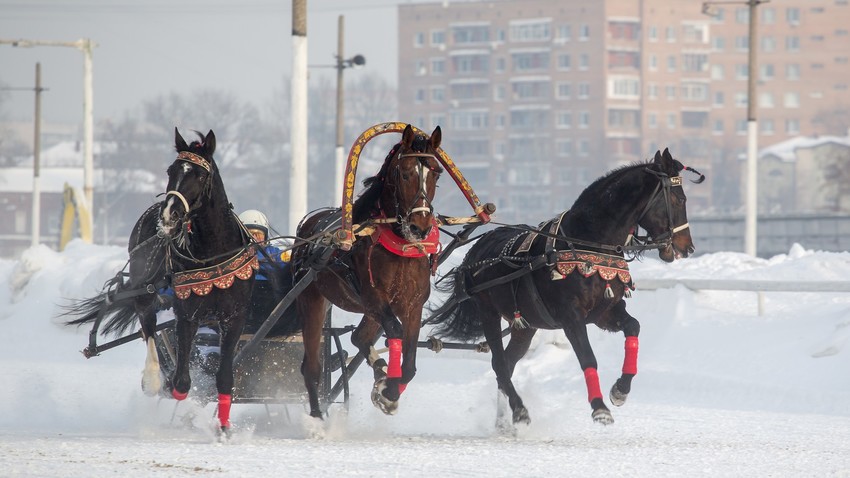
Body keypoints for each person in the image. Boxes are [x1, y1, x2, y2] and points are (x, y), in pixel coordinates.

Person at [238, 209, 294, 335]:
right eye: (251, 233)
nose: (255, 238)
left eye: (259, 234)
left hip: (271, 295)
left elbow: (288, 268)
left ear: (265, 235)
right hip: (245, 296)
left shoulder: (277, 253)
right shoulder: (235, 256)